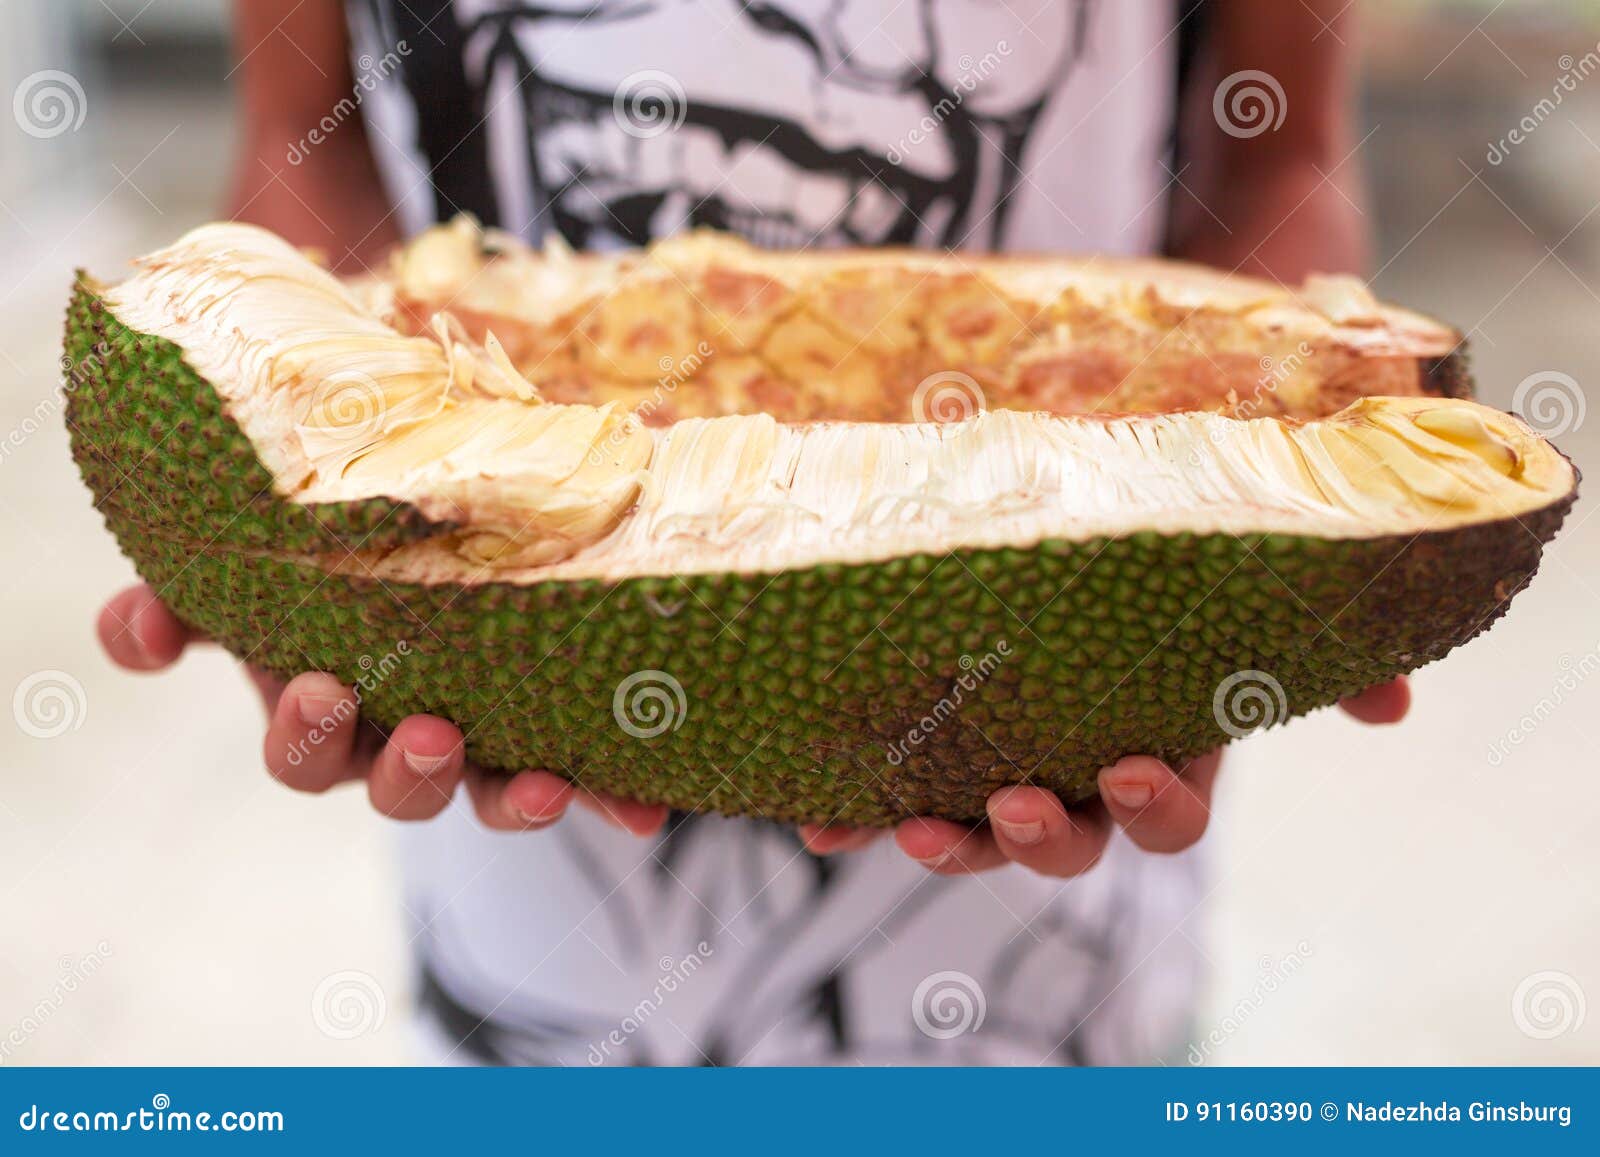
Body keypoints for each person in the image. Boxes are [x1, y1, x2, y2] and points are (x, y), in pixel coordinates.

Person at [98, 0, 1409, 1064]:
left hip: (1056, 957)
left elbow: (1275, 151)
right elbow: (301, 133)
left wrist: (1246, 581)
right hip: (524, 948)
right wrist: (296, 499)